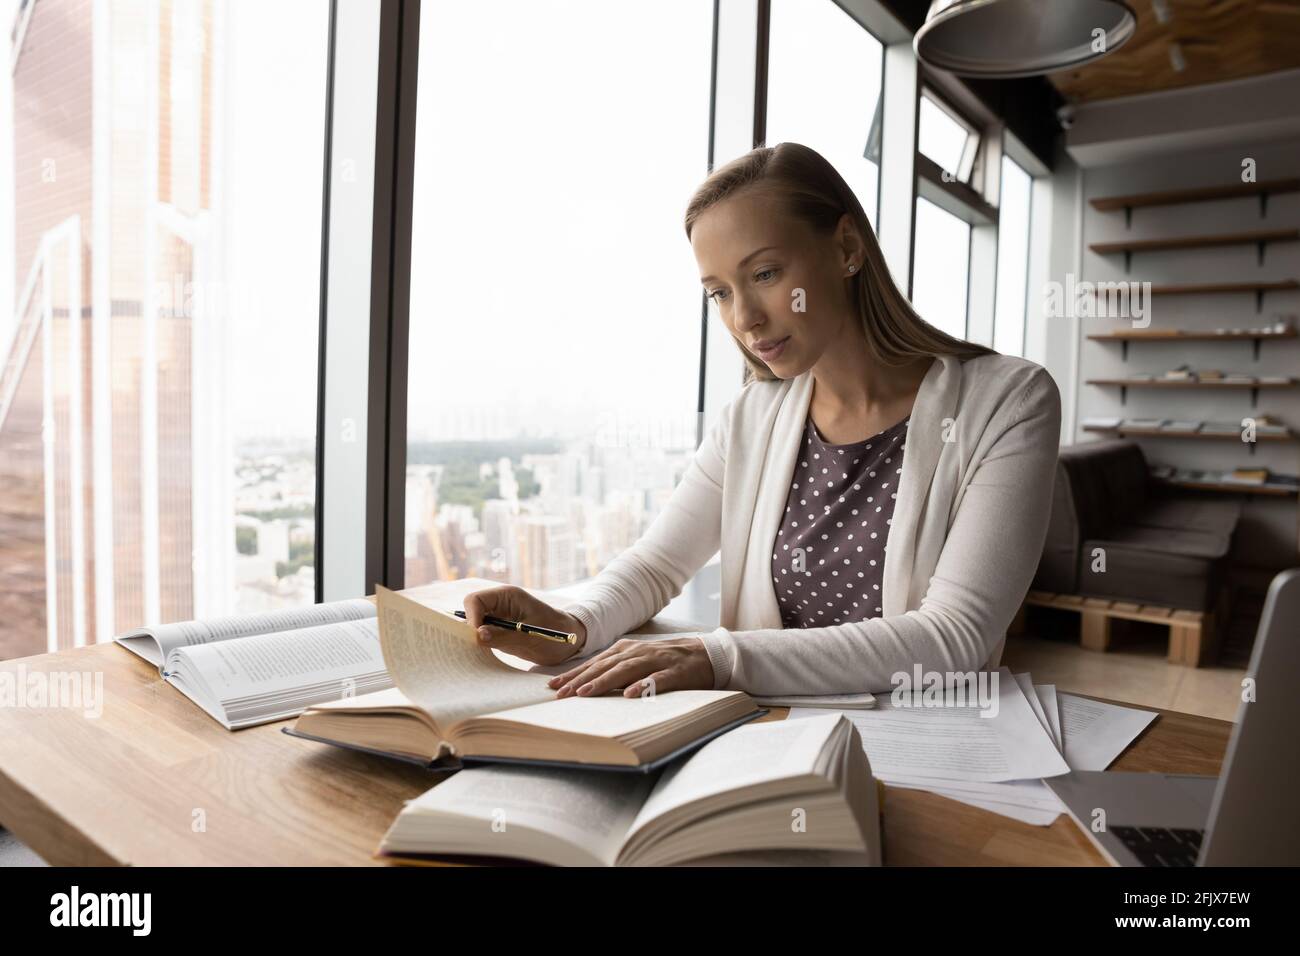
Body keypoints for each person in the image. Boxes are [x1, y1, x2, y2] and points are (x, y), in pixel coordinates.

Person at [462, 142, 1060, 701]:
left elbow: (953, 639)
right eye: (718, 292)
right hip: (765, 744)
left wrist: (719, 658)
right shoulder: (754, 416)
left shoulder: (1007, 402)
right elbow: (656, 566)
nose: (744, 317)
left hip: (930, 748)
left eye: (765, 274)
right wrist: (568, 627)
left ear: (847, 249)